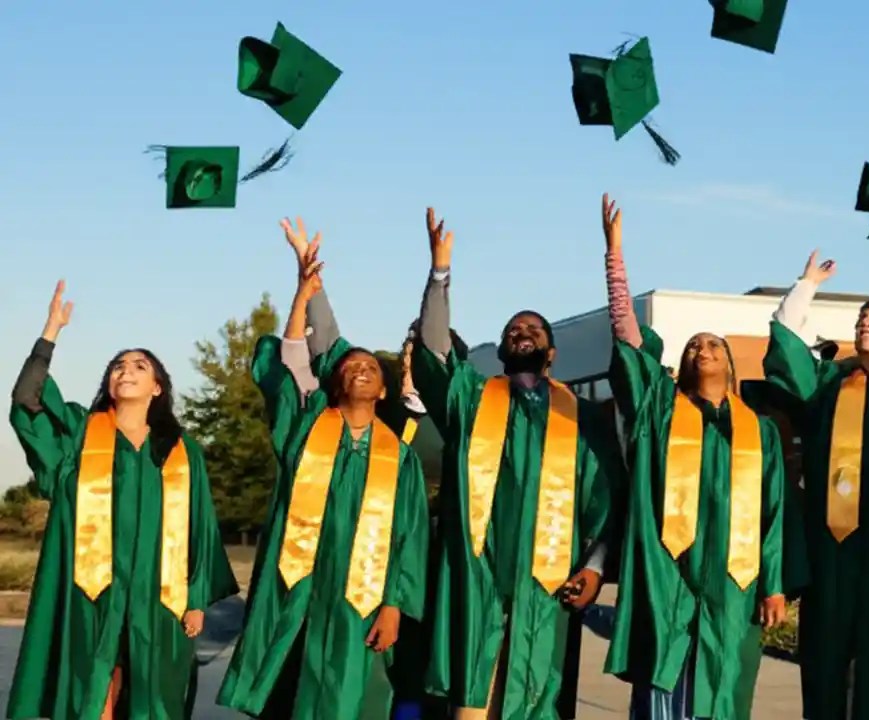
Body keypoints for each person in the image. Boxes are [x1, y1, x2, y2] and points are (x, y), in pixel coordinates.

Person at [411, 207, 623, 719]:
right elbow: (434, 352)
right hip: (479, 574)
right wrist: (439, 274)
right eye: (512, 328)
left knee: (536, 700)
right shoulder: (472, 397)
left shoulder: (585, 417)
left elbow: (607, 502)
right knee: (473, 701)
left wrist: (594, 571)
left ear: (551, 352)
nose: (521, 331)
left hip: (548, 585)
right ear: (503, 350)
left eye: (533, 328)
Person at [216, 220, 430, 718]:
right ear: (334, 384)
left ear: (383, 390)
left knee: (348, 700)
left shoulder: (398, 457)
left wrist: (395, 606)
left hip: (362, 602)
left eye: (371, 369)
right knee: (286, 693)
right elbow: (289, 365)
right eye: (350, 366)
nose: (359, 368)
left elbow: (409, 539)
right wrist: (302, 291)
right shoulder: (307, 430)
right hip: (296, 591)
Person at [7, 280, 237, 720]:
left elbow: (199, 526)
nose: (125, 370)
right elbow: (27, 400)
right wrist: (50, 332)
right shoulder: (81, 432)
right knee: (94, 694)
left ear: (157, 388)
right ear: (109, 384)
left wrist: (195, 598)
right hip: (91, 591)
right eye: (117, 366)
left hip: (160, 597)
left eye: (139, 366)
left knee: (154, 699)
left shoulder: (181, 451)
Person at [596, 193, 788, 719]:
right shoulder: (661, 409)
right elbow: (631, 344)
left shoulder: (759, 433)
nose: (703, 350)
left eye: (714, 346)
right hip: (668, 573)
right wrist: (615, 260)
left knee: (723, 691)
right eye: (693, 347)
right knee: (665, 685)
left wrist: (774, 585)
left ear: (730, 365)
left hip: (735, 582)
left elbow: (773, 516)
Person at [760, 250, 869, 719]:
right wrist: (807, 283)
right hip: (831, 556)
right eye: (861, 318)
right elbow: (787, 349)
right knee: (825, 676)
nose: (864, 324)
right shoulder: (829, 386)